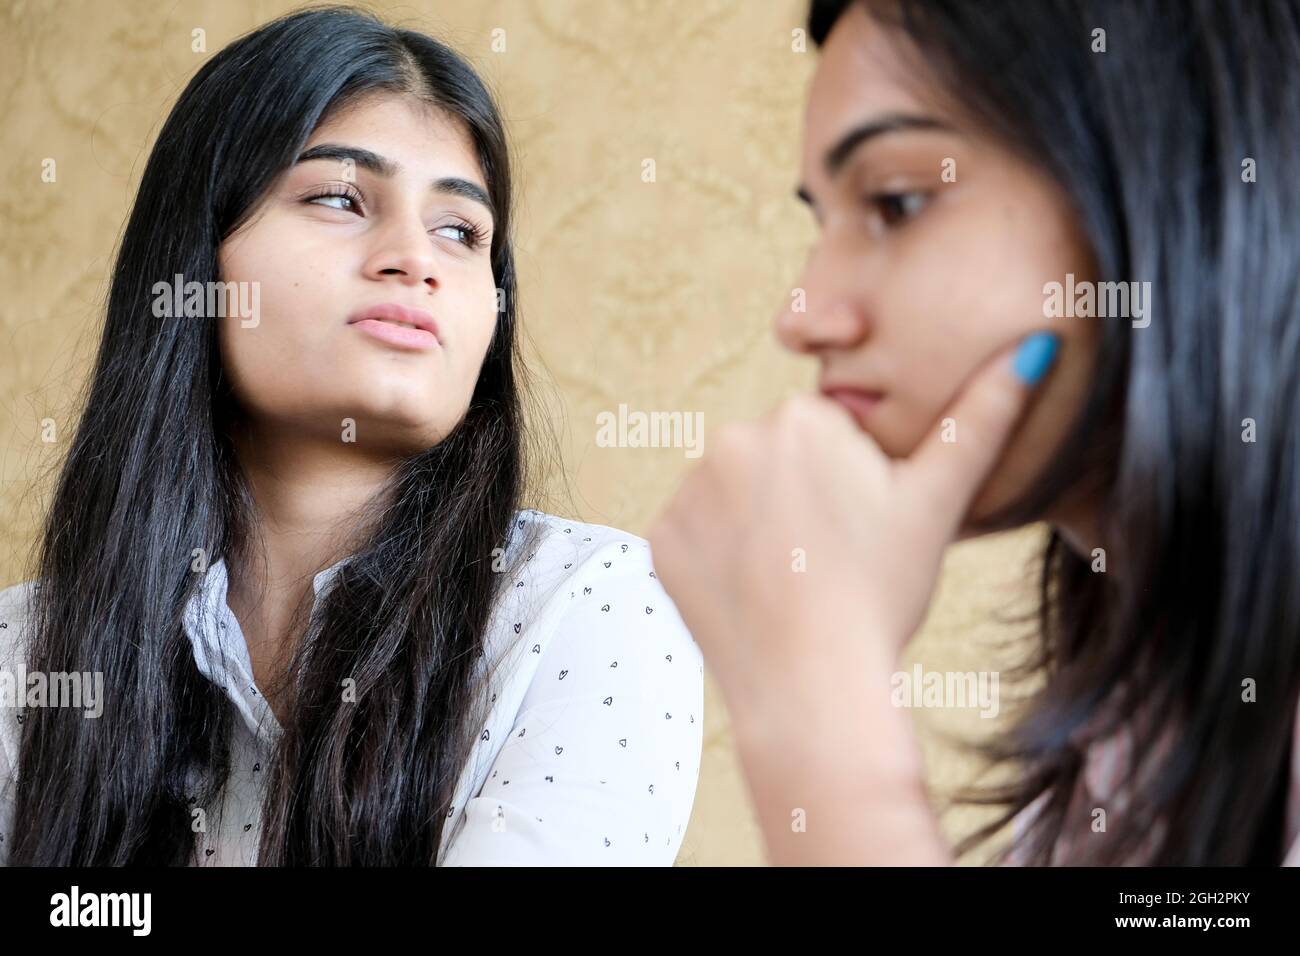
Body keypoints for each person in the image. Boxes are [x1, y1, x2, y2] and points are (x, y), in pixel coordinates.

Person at [0, 6, 703, 867]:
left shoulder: (588, 609)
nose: (417, 257)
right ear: (194, 262)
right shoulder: (26, 656)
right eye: (338, 197)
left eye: (461, 230)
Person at [650, 0, 1300, 866]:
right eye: (823, 221)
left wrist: (821, 719)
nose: (802, 319)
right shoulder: (1131, 723)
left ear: (1171, 179)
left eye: (897, 201)